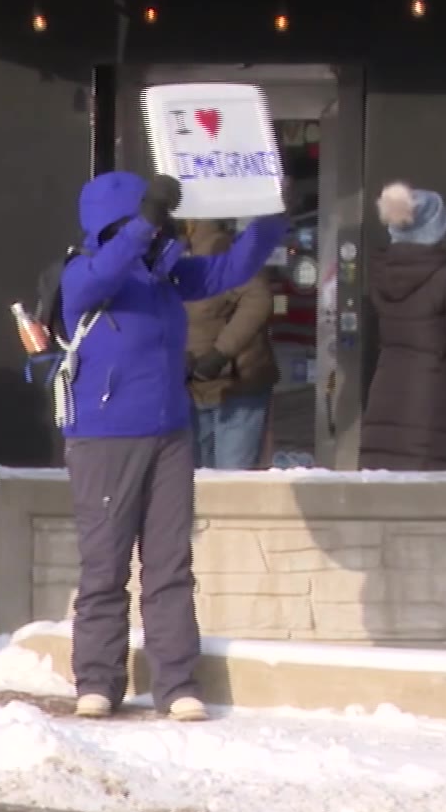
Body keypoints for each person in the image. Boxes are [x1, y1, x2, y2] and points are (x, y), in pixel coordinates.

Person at [55, 172, 285, 722]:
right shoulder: (82, 273)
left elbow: (233, 268)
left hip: (169, 433)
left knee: (170, 564)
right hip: (104, 437)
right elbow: (105, 272)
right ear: (113, 223)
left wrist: (270, 215)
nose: (159, 232)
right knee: (105, 565)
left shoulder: (165, 277)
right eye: (141, 220)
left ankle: (177, 680)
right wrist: (147, 222)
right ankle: (97, 678)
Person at [360, 183, 446, 470]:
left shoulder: (381, 275)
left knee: (391, 503)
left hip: (384, 403)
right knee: (432, 507)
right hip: (433, 412)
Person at [182, 219, 278, 470]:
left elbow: (258, 300)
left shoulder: (220, 249)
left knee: (230, 481)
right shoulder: (170, 257)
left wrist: (219, 353)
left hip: (235, 388)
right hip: (191, 389)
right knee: (197, 483)